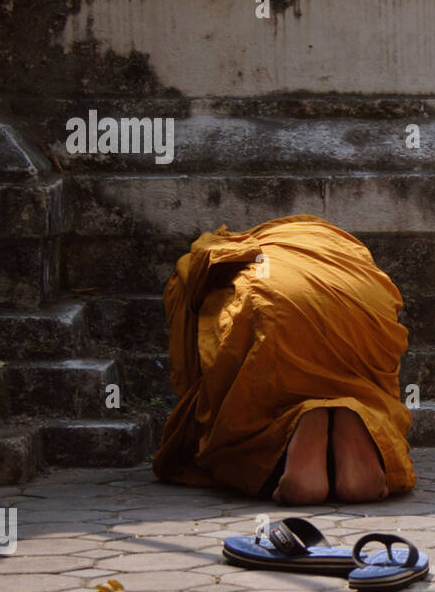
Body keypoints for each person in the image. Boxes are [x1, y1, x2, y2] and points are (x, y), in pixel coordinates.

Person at [152, 214, 414, 504]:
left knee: (249, 417)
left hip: (274, 300)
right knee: (360, 392)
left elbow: (196, 364)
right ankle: (352, 415)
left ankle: (298, 428)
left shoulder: (230, 252)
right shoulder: (339, 249)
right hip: (359, 303)